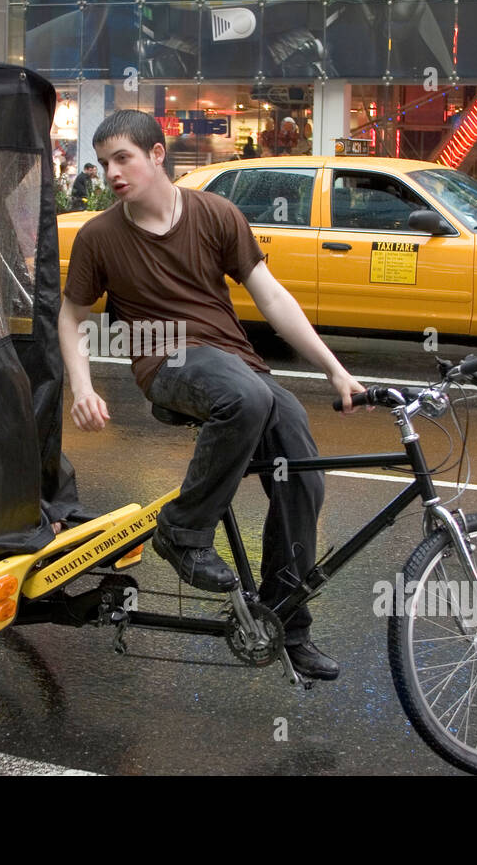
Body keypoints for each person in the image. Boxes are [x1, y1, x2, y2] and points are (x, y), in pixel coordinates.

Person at [58, 110, 366, 681]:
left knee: (303, 475)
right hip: (168, 360)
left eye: (123, 157)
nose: (112, 173)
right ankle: (183, 531)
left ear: (157, 154)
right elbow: (72, 315)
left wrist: (334, 370)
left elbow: (272, 298)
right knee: (244, 398)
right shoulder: (100, 236)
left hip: (236, 362)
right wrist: (82, 385)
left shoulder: (217, 215)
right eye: (104, 163)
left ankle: (284, 623)